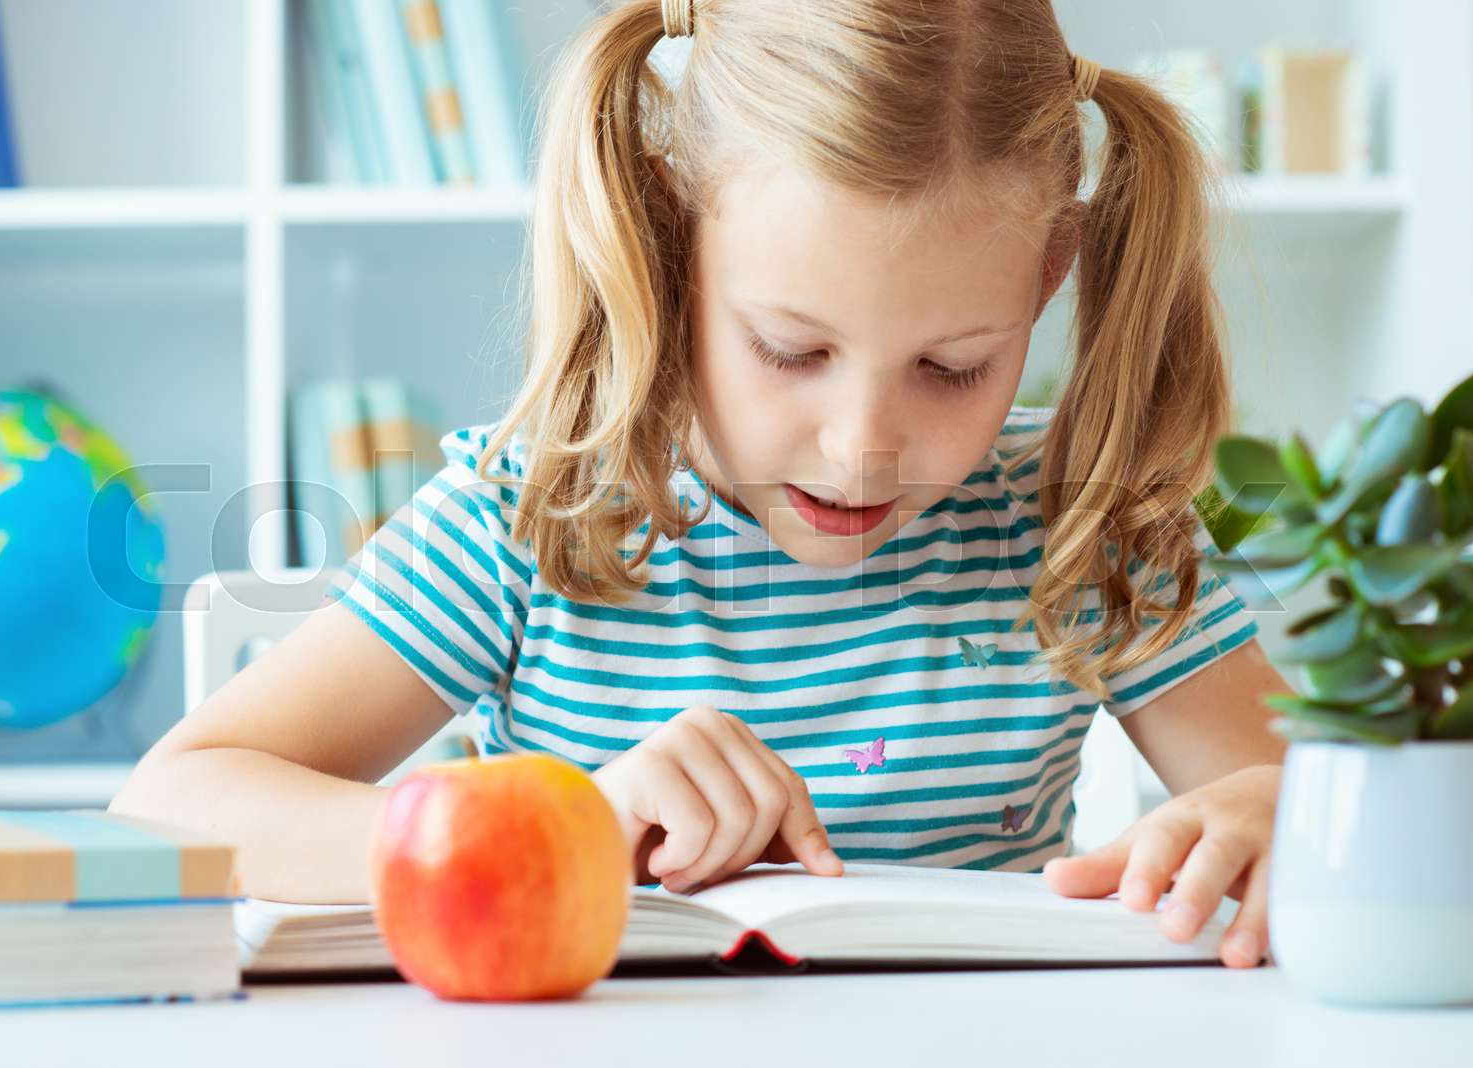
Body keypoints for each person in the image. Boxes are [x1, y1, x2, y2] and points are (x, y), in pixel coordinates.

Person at [112, 0, 1293, 970]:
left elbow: (1293, 794)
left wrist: (1277, 821)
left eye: (952, 367)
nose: (859, 445)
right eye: (791, 350)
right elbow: (175, 800)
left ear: (1047, 282)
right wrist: (552, 827)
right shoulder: (539, 513)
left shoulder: (1078, 522)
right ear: (671, 249)